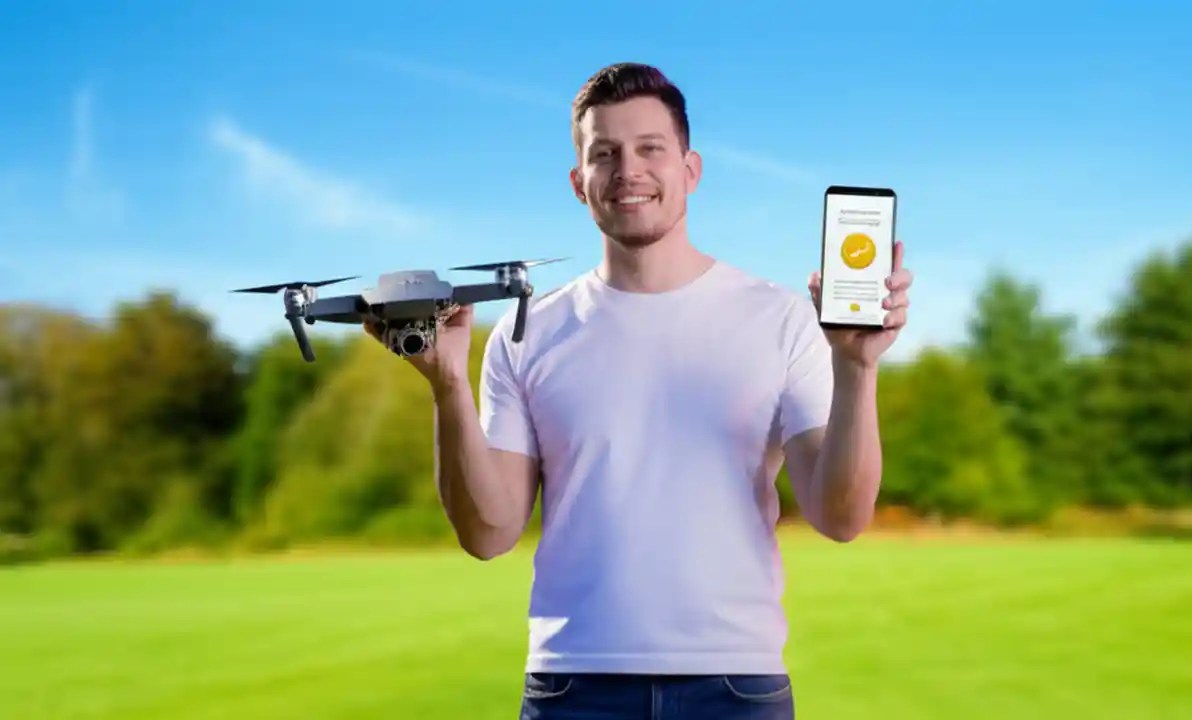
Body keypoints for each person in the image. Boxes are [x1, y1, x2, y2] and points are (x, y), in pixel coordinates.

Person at [367, 62, 912, 719]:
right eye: (605, 153)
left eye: (651, 148)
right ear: (579, 182)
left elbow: (842, 516)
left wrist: (857, 369)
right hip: (573, 688)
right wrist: (447, 382)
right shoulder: (525, 333)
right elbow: (488, 533)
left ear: (691, 169)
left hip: (736, 688)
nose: (629, 170)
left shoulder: (782, 319)